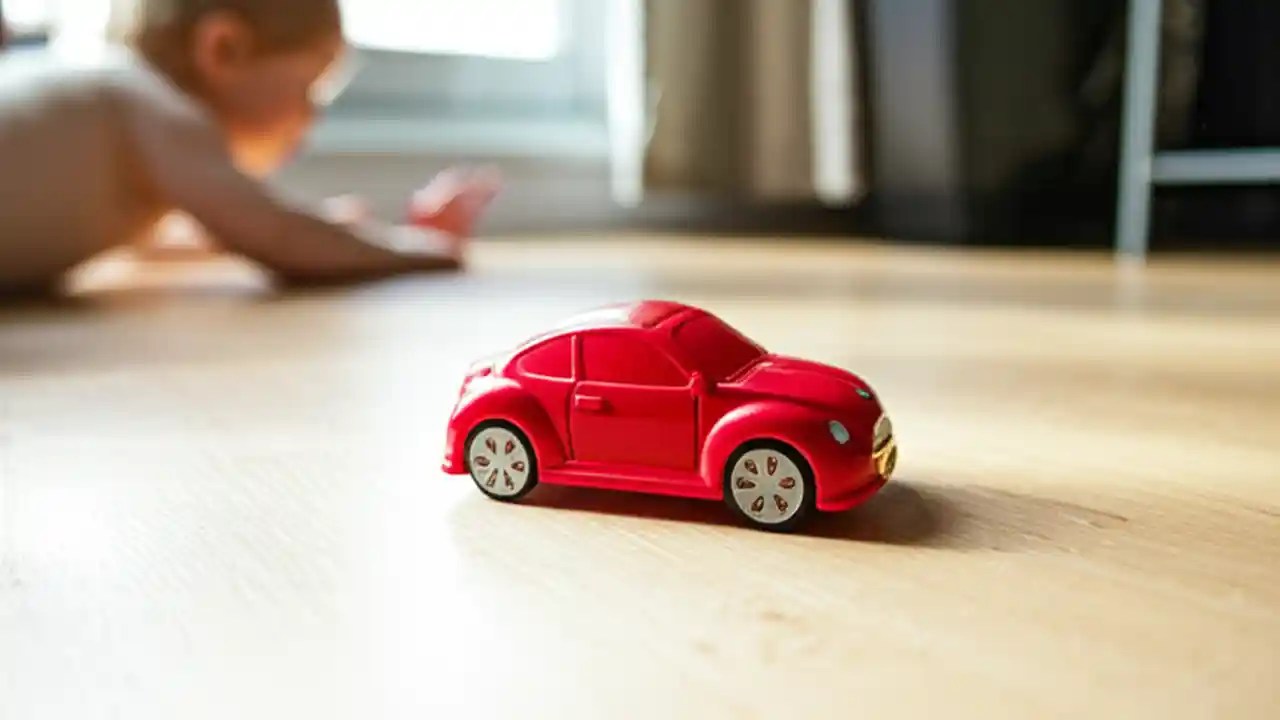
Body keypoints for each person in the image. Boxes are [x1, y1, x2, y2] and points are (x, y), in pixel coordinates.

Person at [0, 0, 497, 295]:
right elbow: (274, 236)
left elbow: (183, 237)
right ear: (224, 50)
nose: (313, 114)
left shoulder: (109, 101)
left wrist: (339, 230)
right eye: (309, 86)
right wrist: (423, 249)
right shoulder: (145, 104)